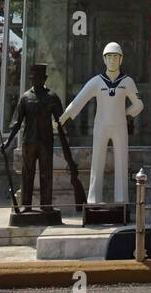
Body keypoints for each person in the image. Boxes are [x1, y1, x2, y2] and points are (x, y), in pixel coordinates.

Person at [59, 43, 144, 205]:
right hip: (101, 126)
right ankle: (93, 199)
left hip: (120, 126)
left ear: (121, 59)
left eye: (116, 57)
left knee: (121, 162)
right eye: (109, 57)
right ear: (104, 59)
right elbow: (79, 101)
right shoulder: (97, 81)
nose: (112, 60)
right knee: (96, 162)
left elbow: (139, 105)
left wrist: (126, 112)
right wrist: (62, 118)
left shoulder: (127, 82)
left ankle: (122, 200)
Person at [1, 63, 63, 212]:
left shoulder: (52, 97)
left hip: (46, 142)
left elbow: (61, 120)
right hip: (29, 142)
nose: (35, 80)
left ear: (45, 78)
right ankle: (26, 205)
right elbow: (17, 123)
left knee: (46, 173)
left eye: (39, 78)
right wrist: (8, 142)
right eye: (33, 78)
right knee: (27, 174)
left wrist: (64, 139)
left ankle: (46, 205)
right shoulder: (25, 98)